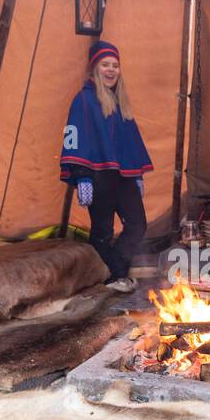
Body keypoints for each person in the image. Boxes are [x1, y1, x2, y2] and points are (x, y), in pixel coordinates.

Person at [60, 40, 152, 292]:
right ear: (94, 68)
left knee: (137, 224)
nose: (111, 70)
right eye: (105, 65)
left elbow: (131, 141)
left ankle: (113, 272)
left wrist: (137, 175)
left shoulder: (121, 102)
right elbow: (75, 136)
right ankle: (114, 278)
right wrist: (82, 177)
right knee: (102, 231)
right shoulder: (84, 100)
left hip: (122, 176)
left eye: (115, 65)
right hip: (97, 176)